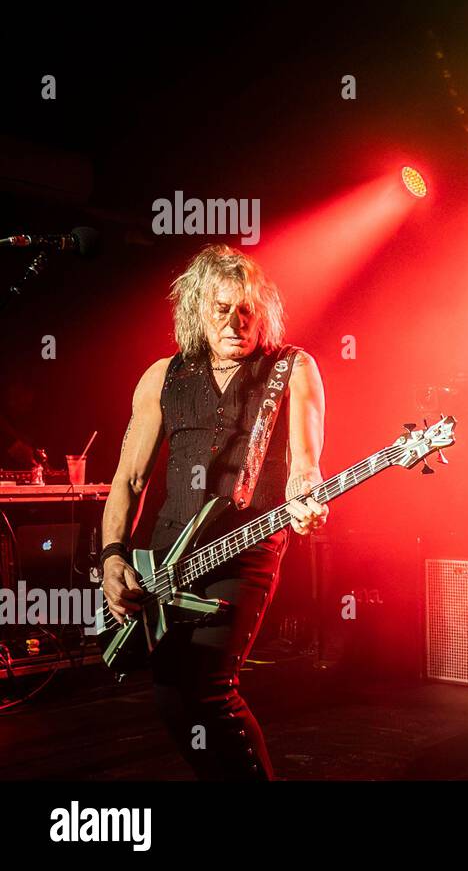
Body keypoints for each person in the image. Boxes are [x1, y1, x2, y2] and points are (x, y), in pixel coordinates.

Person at [100, 243, 328, 780]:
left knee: (208, 686)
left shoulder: (292, 369)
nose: (234, 321)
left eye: (246, 309)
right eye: (221, 308)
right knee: (171, 694)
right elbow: (128, 480)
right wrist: (112, 556)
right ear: (197, 310)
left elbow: (306, 465)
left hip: (244, 548)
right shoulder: (163, 376)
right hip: (164, 554)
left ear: (262, 312)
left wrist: (306, 499)